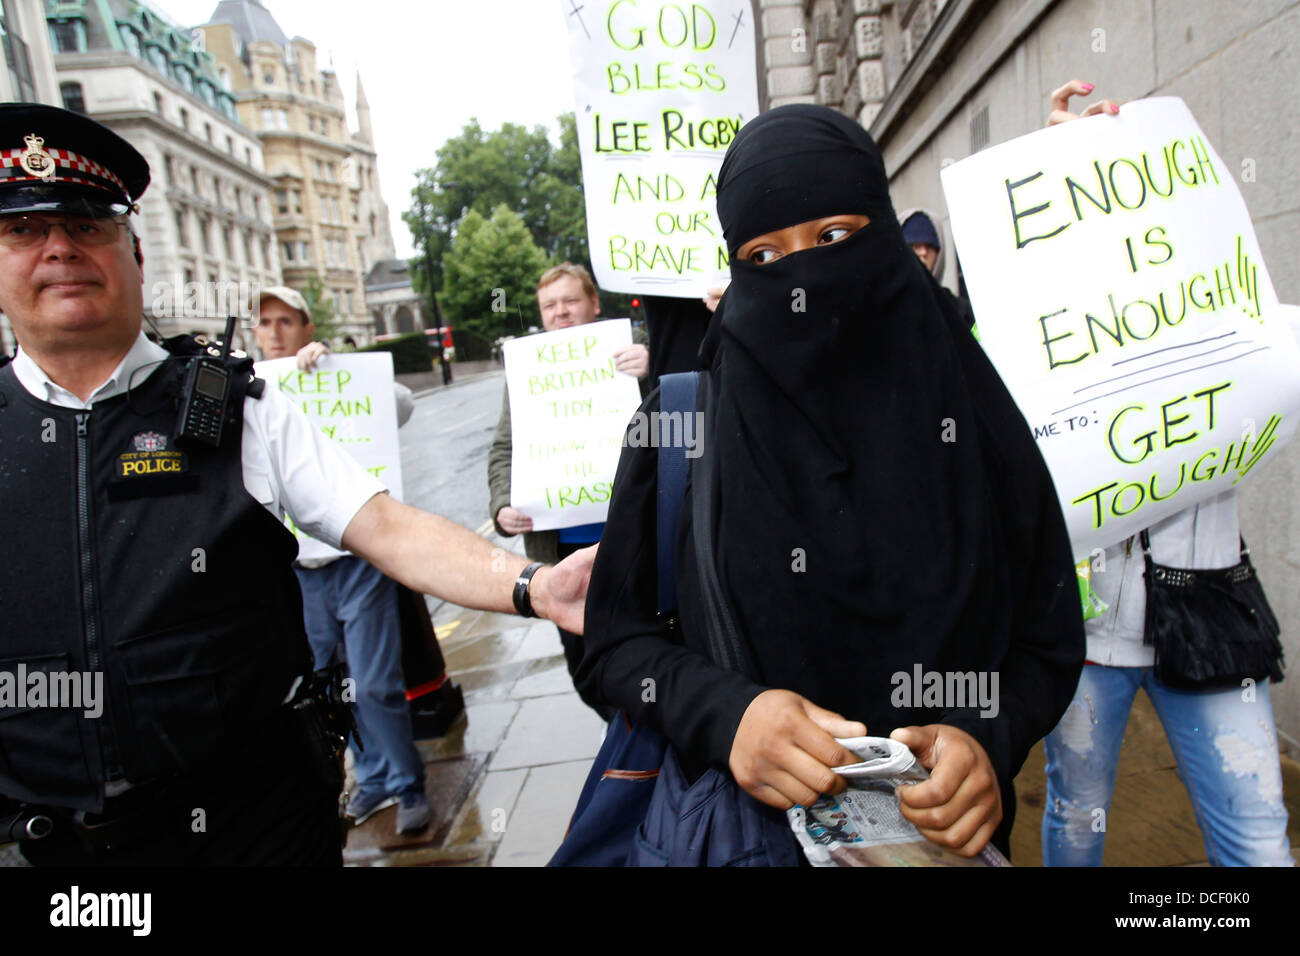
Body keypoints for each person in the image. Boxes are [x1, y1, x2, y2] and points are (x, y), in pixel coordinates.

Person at [0, 104, 592, 866]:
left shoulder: (228, 403)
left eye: (88, 227)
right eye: (25, 231)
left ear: (134, 252)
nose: (59, 250)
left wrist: (534, 587)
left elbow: (383, 525)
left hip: (253, 831)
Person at [575, 104, 1086, 862]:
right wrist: (730, 717)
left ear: (881, 230)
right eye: (764, 255)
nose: (803, 276)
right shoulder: (682, 423)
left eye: (835, 238)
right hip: (752, 843)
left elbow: (1048, 640)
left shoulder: (970, 401)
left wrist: (986, 739)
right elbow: (614, 649)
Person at [1039, 81, 1293, 867]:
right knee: (1078, 818)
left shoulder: (1222, 309)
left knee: (1256, 833)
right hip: (1085, 633)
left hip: (1210, 617)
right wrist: (1061, 170)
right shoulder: (1057, 325)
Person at [253, 286, 449, 836]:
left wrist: (339, 366)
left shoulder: (328, 377)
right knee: (324, 688)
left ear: (306, 328)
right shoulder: (253, 391)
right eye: (264, 322)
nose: (273, 332)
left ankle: (406, 784)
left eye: (285, 321)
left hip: (357, 560)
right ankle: (371, 778)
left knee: (375, 681)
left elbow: (402, 406)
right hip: (298, 571)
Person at [488, 263, 649, 718]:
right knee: (586, 668)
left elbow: (687, 407)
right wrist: (501, 505)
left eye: (570, 301)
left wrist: (651, 368)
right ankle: (621, 732)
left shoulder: (635, 350)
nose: (561, 313)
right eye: (550, 305)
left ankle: (656, 741)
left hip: (633, 539)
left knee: (652, 645)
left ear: (594, 304)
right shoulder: (525, 370)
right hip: (561, 553)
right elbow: (505, 448)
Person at [897, 208, 973, 329]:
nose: (923, 252)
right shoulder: (886, 311)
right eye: (915, 246)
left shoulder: (960, 312)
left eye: (930, 246)